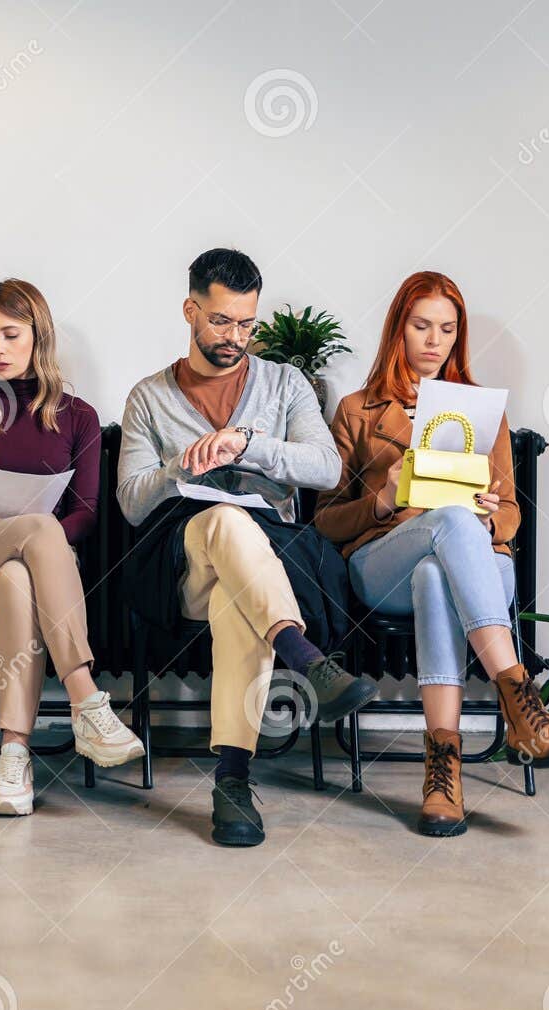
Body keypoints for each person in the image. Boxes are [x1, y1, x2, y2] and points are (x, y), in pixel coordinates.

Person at [116, 247, 378, 848]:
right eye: (220, 321)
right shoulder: (148, 397)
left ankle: (232, 784)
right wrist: (180, 465)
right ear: (190, 310)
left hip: (273, 565)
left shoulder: (285, 384)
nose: (234, 336)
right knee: (224, 522)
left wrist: (246, 445)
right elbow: (132, 502)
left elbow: (326, 467)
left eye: (246, 323)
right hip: (183, 566)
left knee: (239, 592)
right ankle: (307, 660)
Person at [315, 272, 549, 837]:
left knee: (440, 568)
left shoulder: (482, 410)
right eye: (421, 326)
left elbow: (512, 514)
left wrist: (489, 514)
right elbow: (325, 520)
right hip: (382, 561)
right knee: (444, 532)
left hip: (479, 564)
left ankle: (443, 772)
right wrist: (385, 499)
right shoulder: (357, 410)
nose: (433, 341)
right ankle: (521, 700)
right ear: (398, 329)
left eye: (446, 328)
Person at [0, 278, 143, 815]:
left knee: (20, 575)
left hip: (32, 563)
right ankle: (86, 699)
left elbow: (86, 513)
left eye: (11, 335)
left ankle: (13, 756)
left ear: (37, 336)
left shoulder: (78, 416)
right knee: (40, 530)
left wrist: (31, 544)